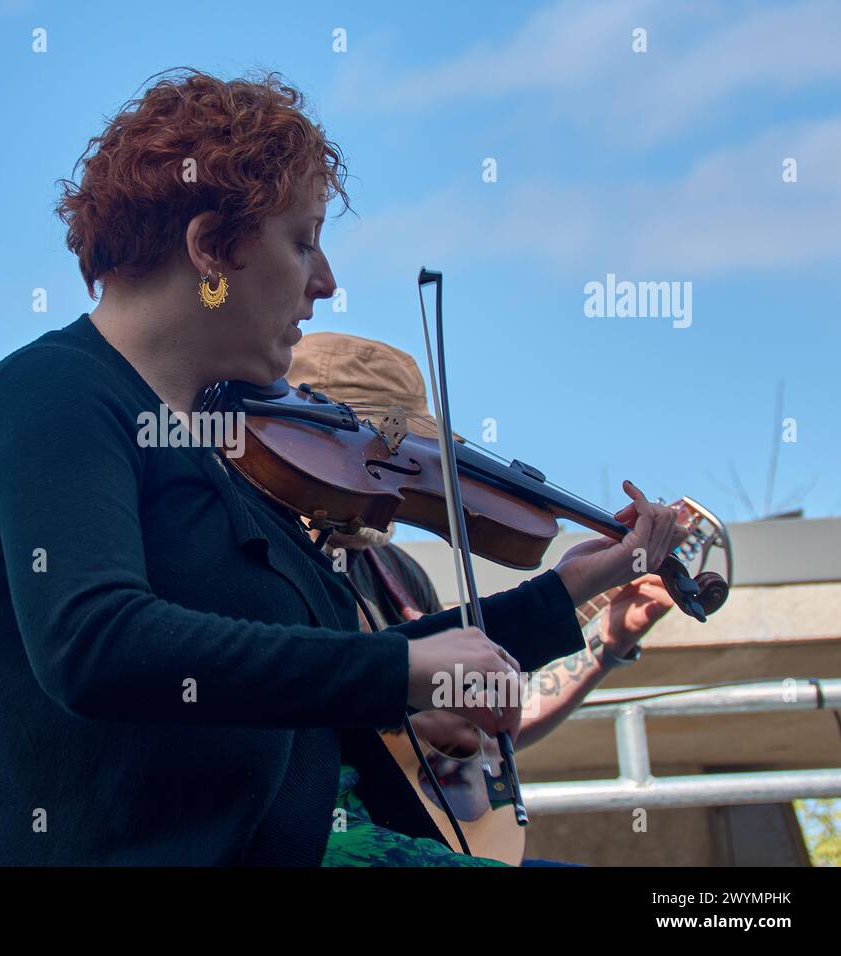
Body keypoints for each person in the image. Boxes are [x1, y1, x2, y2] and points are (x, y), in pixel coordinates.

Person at [0, 68, 685, 867]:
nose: (326, 281)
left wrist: (571, 587)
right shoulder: (53, 393)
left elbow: (320, 658)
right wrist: (399, 667)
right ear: (211, 248)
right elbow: (94, 641)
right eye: (303, 240)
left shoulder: (221, 456)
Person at [286, 331, 676, 863]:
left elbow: (487, 729)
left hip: (412, 831)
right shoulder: (267, 558)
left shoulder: (396, 572)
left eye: (405, 451)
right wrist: (411, 704)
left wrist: (605, 645)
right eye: (381, 444)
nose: (403, 477)